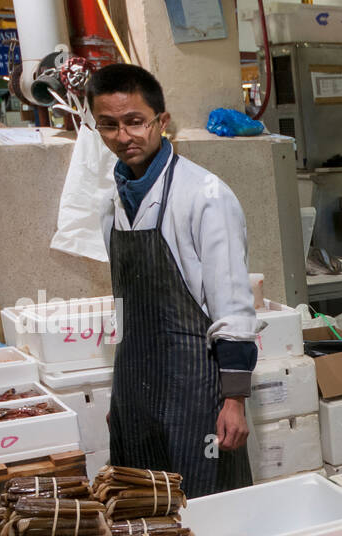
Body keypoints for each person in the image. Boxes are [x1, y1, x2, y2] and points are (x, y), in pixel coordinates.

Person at [87, 64, 255, 499]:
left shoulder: (205, 196)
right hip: (136, 392)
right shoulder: (112, 205)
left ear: (161, 122)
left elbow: (231, 304)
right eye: (108, 125)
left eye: (135, 122)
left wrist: (234, 401)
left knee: (207, 511)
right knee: (143, 518)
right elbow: (126, 305)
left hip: (196, 393)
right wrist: (120, 398)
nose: (123, 137)